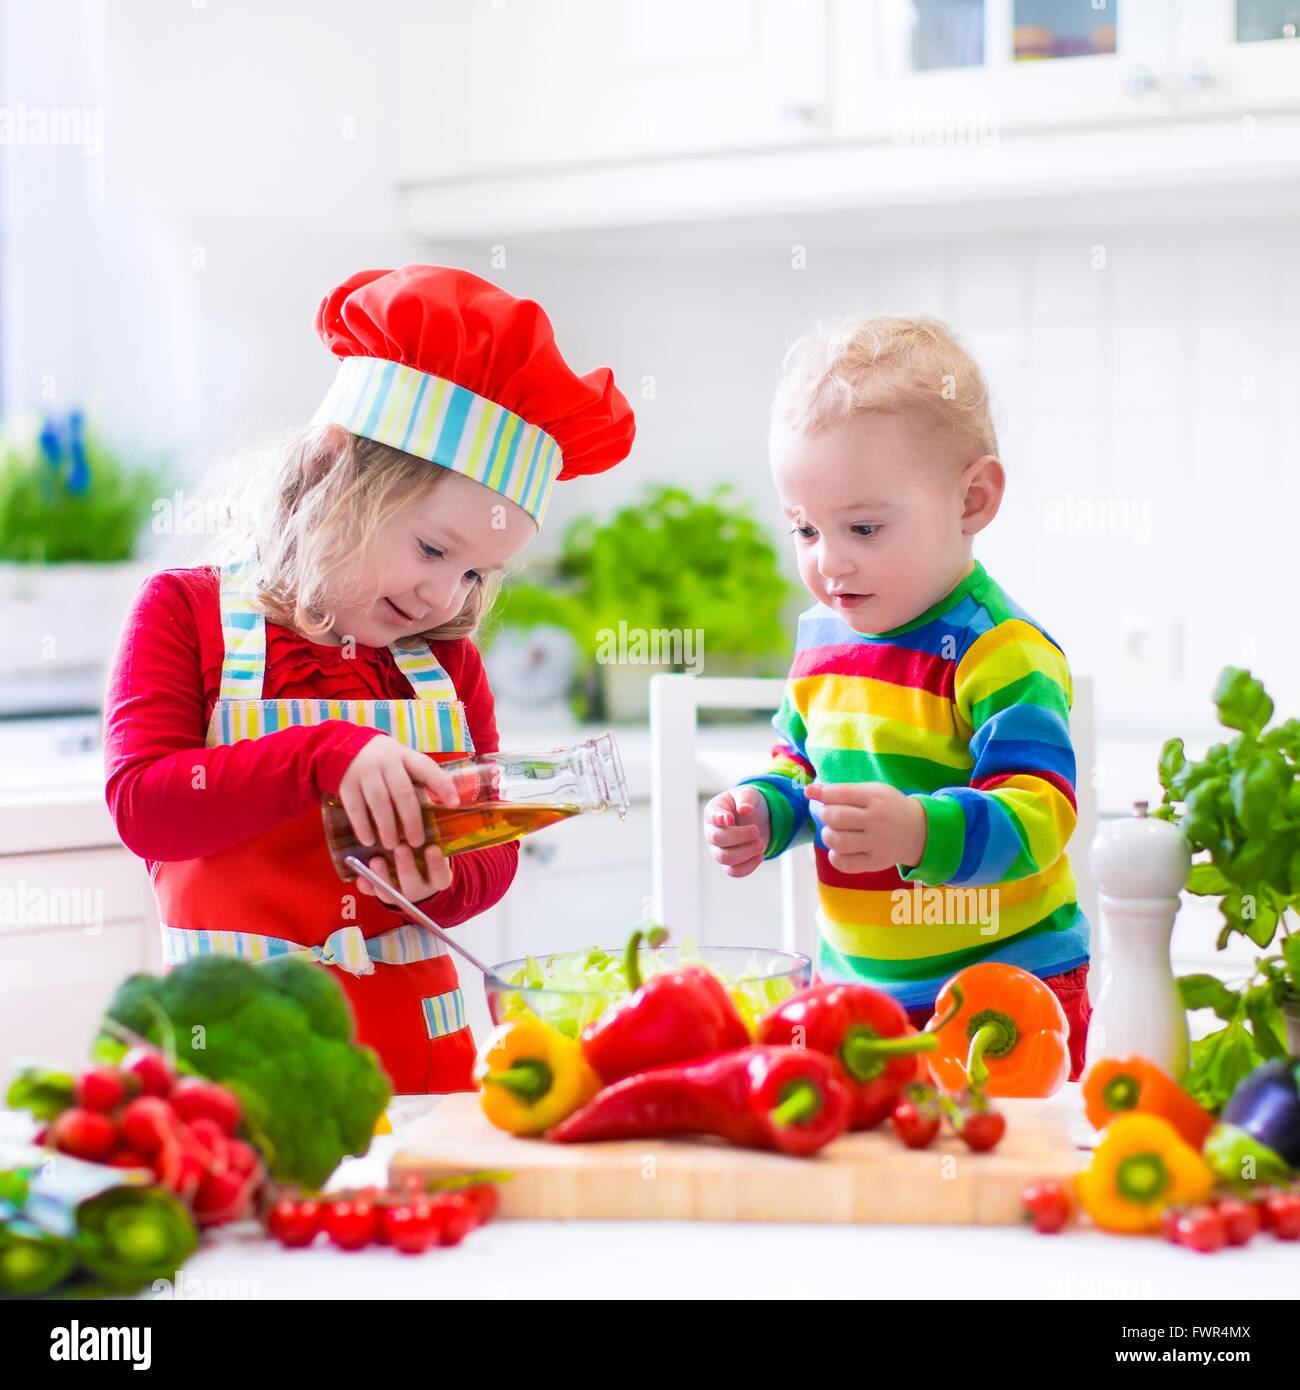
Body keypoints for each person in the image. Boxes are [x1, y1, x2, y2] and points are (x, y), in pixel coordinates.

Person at [104, 264, 635, 1094]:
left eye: (475, 575)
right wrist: (320, 754)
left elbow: (493, 848)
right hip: (234, 1077)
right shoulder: (187, 613)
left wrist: (448, 874)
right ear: (332, 473)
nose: (442, 595)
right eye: (431, 549)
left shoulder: (444, 661)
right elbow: (145, 809)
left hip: (423, 1070)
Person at [703, 315, 1091, 1079]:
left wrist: (919, 831)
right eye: (805, 529)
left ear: (972, 500)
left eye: (865, 527)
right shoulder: (822, 639)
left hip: (1002, 994)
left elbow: (1042, 814)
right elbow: (798, 768)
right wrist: (766, 809)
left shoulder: (999, 650)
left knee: (982, 1177)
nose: (830, 562)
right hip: (856, 998)